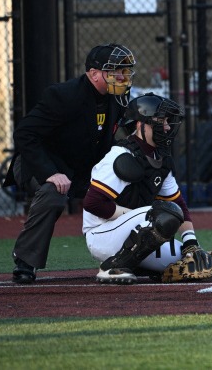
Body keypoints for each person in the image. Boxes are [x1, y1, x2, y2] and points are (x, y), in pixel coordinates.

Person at [9, 43, 136, 284]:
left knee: (129, 187)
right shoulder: (64, 95)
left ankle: (129, 257)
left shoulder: (118, 97)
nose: (122, 76)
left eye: (125, 70)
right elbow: (25, 134)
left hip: (82, 168)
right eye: (115, 71)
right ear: (94, 74)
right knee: (53, 193)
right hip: (41, 162)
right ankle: (25, 261)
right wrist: (50, 173)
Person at [82, 94, 212, 284]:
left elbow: (177, 203)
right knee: (163, 213)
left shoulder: (161, 158)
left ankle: (134, 262)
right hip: (102, 233)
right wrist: (137, 216)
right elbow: (92, 203)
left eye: (168, 121)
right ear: (139, 124)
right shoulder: (121, 155)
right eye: (161, 121)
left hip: (133, 229)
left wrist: (191, 243)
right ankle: (112, 266)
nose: (167, 127)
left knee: (192, 262)